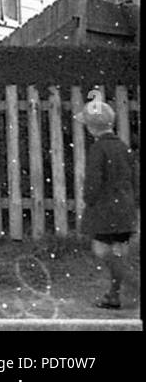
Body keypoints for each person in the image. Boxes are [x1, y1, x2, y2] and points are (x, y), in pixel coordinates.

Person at [77, 91, 138, 310]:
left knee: (102, 250)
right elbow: (134, 176)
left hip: (106, 210)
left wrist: (89, 199)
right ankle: (115, 294)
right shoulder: (122, 147)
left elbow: (93, 182)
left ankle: (131, 285)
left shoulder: (98, 149)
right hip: (125, 207)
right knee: (119, 250)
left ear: (91, 127)